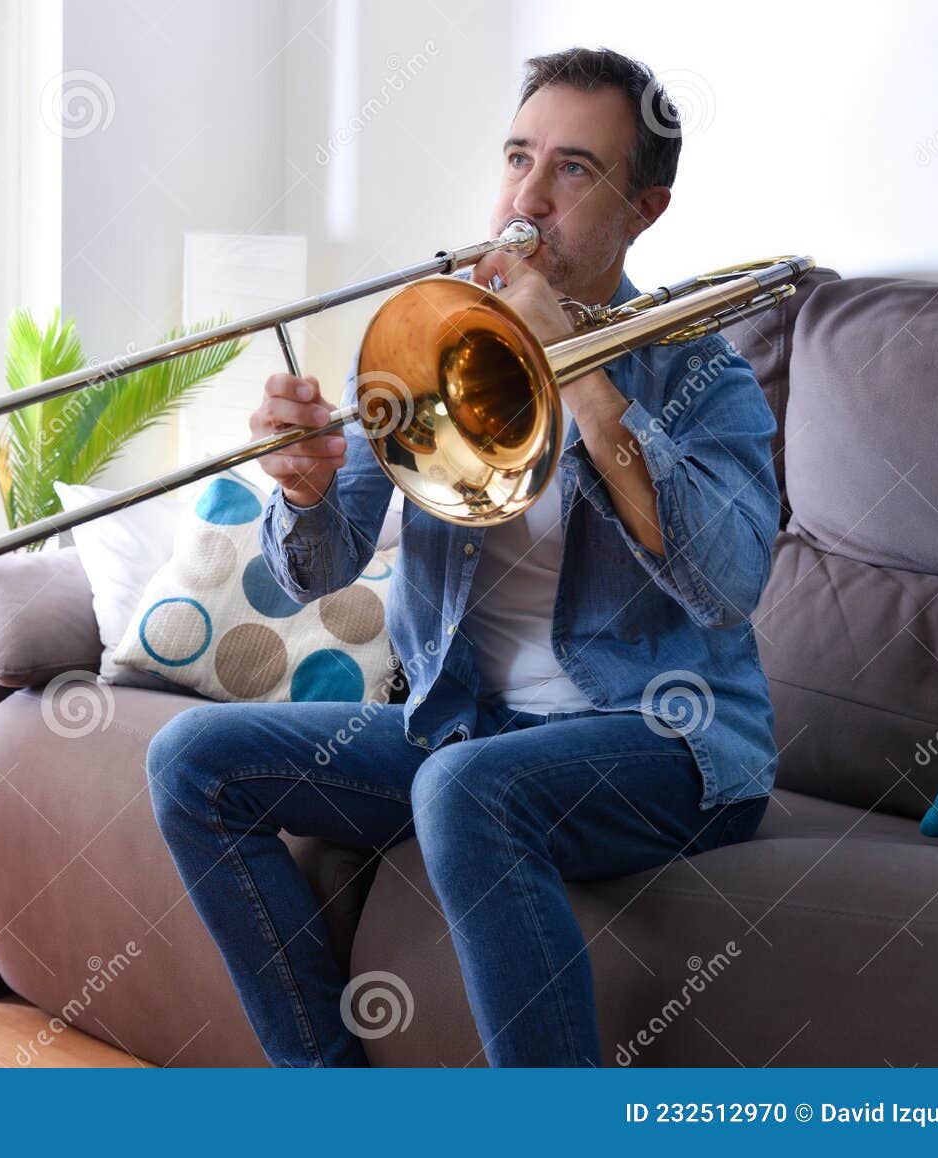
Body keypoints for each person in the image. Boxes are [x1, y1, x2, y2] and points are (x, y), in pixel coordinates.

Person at [145, 46, 781, 1067]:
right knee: (191, 763)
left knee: (465, 788)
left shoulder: (706, 376)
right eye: (518, 157)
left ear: (644, 210)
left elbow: (728, 584)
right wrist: (302, 490)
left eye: (574, 169)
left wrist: (580, 376)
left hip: (671, 745)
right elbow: (319, 566)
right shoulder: (441, 339)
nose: (527, 197)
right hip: (468, 726)